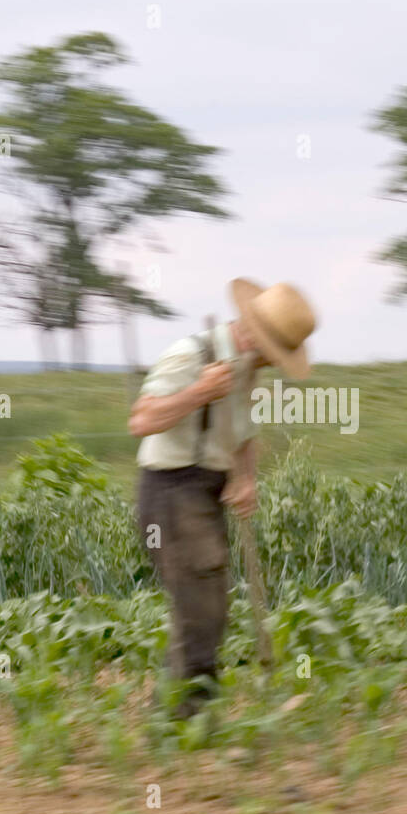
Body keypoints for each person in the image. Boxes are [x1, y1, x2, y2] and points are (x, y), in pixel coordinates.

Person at [128, 277, 316, 717]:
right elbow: (141, 421)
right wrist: (199, 393)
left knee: (208, 605)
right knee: (202, 607)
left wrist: (245, 479)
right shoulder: (190, 356)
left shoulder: (249, 372)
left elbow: (243, 437)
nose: (274, 361)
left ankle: (175, 711)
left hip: (205, 492)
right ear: (253, 336)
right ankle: (188, 718)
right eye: (274, 350)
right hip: (170, 490)